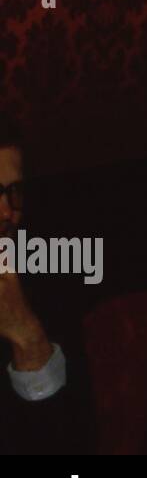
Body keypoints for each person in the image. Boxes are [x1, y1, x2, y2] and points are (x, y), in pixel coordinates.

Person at [0, 112, 94, 454]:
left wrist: (28, 338)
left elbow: (71, 440)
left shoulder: (45, 278)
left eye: (14, 192)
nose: (8, 211)